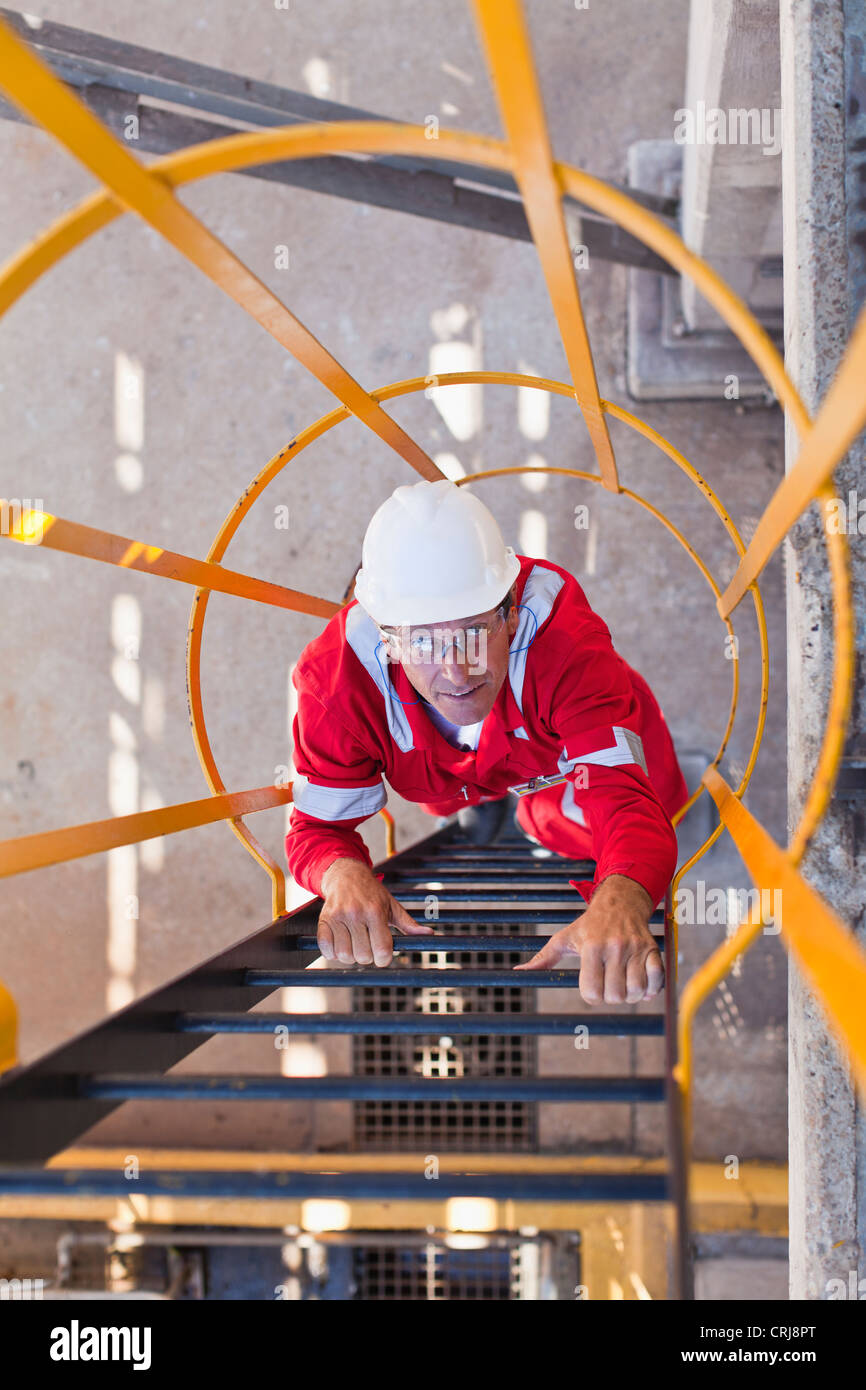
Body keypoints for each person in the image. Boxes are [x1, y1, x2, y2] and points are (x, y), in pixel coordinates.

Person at [285, 479, 688, 1005]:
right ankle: (481, 801)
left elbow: (623, 798)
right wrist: (341, 874)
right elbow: (315, 831)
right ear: (387, 641)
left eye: (474, 630)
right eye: (423, 640)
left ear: (512, 611)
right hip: (471, 769)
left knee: (602, 821)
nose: (456, 670)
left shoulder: (565, 645)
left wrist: (625, 895)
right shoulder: (335, 688)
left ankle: (510, 809)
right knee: (441, 795)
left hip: (557, 754)